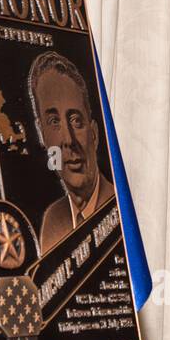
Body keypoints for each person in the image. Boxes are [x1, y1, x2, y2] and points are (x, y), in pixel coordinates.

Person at [26, 51, 114, 253]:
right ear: (42, 135)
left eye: (76, 120)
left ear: (94, 133)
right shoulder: (52, 222)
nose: (68, 140)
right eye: (54, 122)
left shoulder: (121, 210)